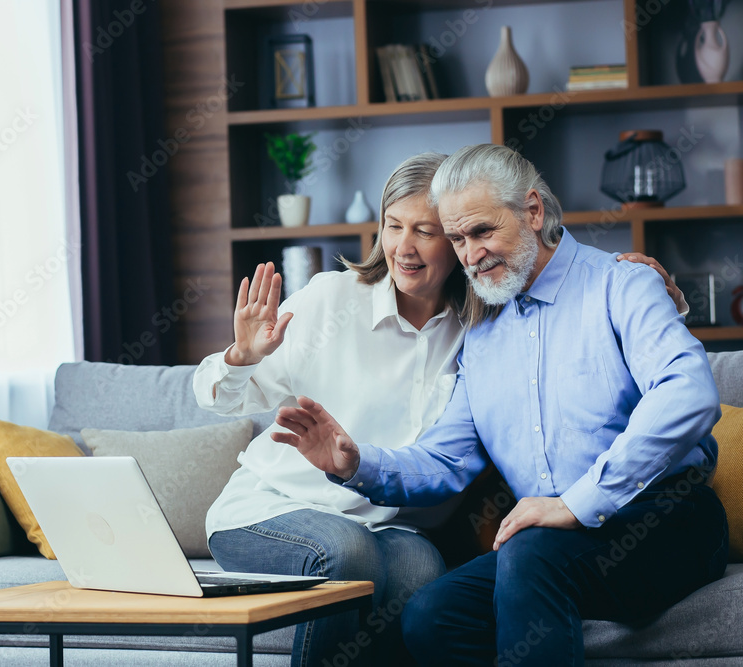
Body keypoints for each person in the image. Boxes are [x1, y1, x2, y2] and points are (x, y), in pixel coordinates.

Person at [194, 152, 686, 667]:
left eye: (427, 232)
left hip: (389, 524)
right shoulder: (332, 300)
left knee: (421, 575)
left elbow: (588, 327)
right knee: (352, 554)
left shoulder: (483, 325)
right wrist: (241, 358)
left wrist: (654, 296)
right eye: (393, 226)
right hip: (279, 507)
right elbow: (220, 397)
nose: (404, 248)